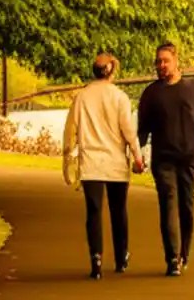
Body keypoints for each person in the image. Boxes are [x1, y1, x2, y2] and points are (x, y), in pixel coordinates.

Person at [137, 41, 194, 277]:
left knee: (187, 207)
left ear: (176, 62)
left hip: (189, 159)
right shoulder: (151, 93)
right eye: (158, 62)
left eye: (165, 61)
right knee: (168, 205)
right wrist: (137, 155)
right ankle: (172, 258)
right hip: (163, 161)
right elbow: (142, 131)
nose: (161, 65)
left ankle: (184, 253)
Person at [62, 53, 146, 279]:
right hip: (116, 163)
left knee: (94, 211)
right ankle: (121, 258)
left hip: (91, 163)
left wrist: (67, 158)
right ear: (112, 71)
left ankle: (96, 259)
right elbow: (129, 131)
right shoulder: (120, 97)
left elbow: (70, 130)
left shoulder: (81, 97)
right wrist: (138, 157)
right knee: (119, 211)